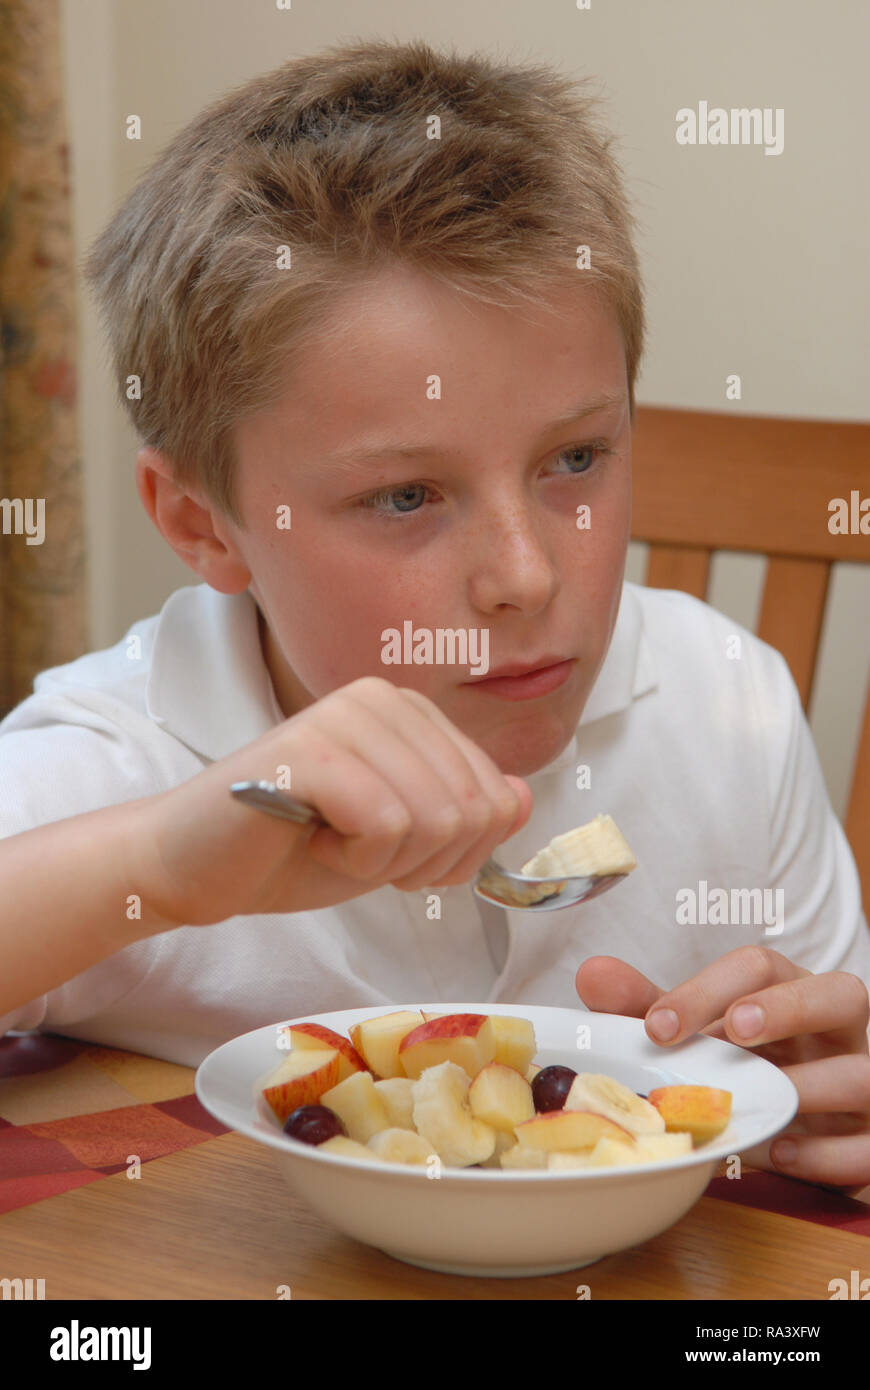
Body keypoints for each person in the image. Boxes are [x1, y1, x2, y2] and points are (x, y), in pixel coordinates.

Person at [1, 39, 867, 1196]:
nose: (523, 575)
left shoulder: (729, 703)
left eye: (575, 457)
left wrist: (833, 1107)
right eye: (405, 495)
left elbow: (827, 1086)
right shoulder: (129, 765)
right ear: (204, 522)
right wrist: (159, 868)